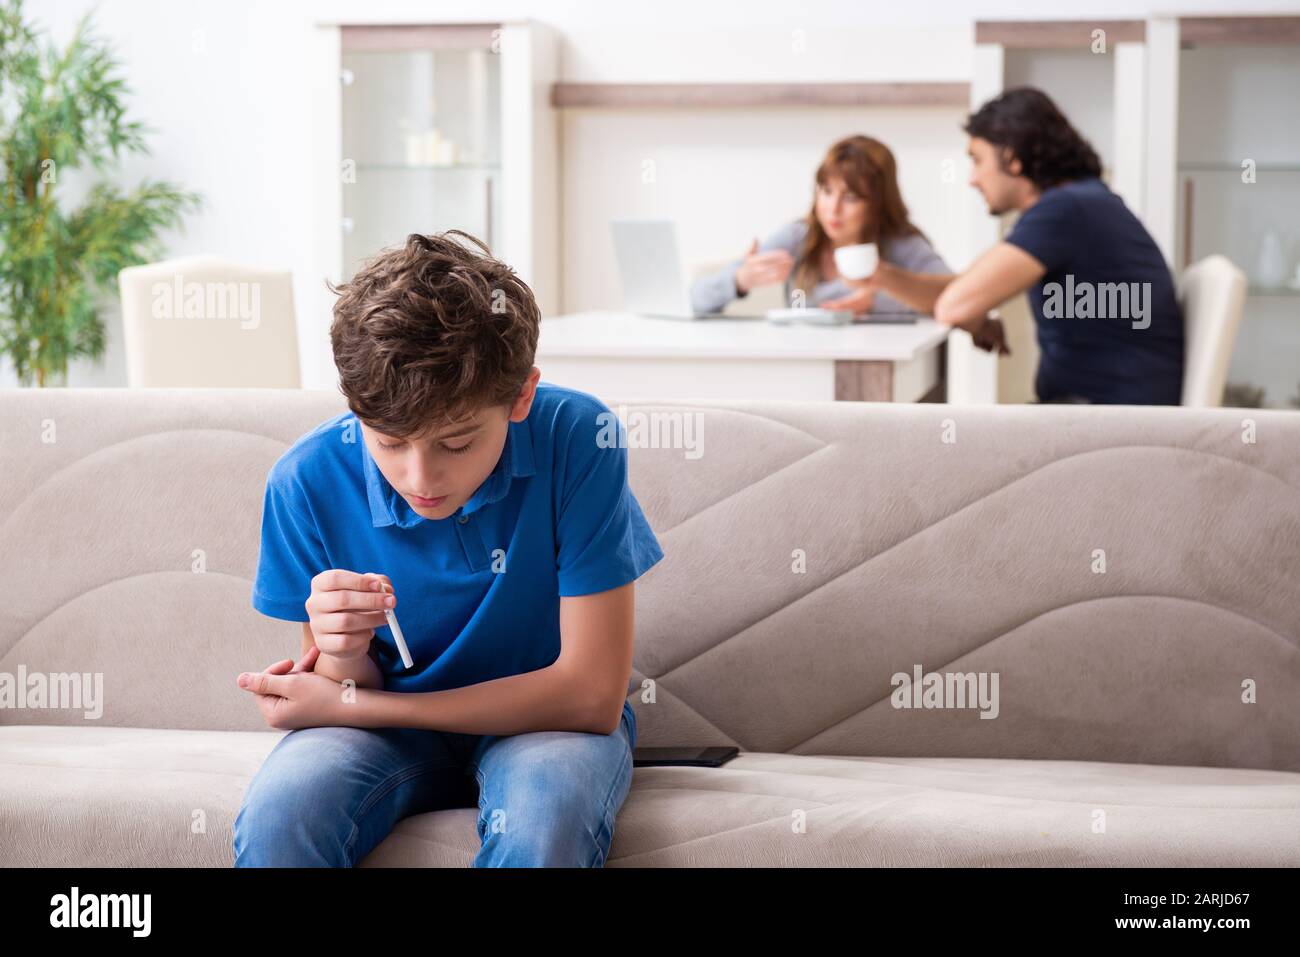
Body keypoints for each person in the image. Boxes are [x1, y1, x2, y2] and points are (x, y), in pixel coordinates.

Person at [232, 231, 664, 867]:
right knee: (280, 818)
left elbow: (591, 696)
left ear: (521, 396)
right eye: (387, 443)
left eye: (457, 444)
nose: (420, 480)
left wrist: (362, 704)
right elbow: (339, 683)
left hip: (547, 726)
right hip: (383, 736)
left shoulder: (579, 439)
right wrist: (342, 653)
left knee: (544, 823)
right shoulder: (308, 479)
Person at [932, 87, 1185, 404]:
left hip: (1108, 423)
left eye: (978, 160)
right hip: (1109, 414)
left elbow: (954, 306)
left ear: (1012, 158)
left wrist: (975, 318)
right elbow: (963, 294)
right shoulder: (1082, 202)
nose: (972, 178)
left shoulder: (1065, 211)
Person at [689, 135, 964, 322]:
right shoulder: (799, 237)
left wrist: (876, 299)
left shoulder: (900, 244)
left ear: (878, 203)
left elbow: (959, 296)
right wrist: (740, 280)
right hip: (804, 365)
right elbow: (693, 300)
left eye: (851, 197)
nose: (833, 209)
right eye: (826, 191)